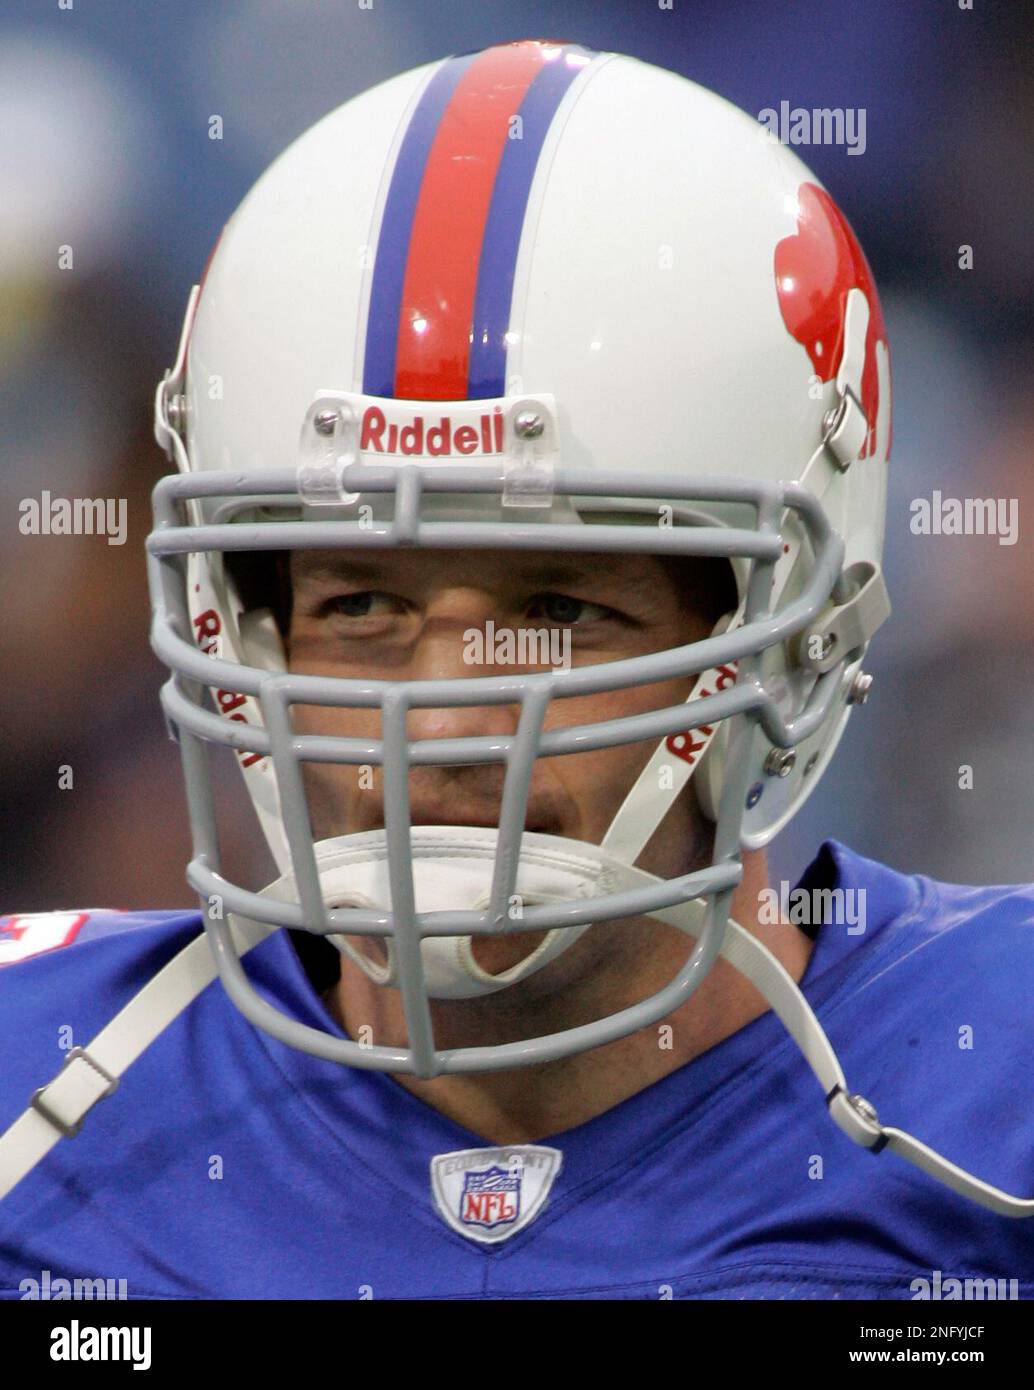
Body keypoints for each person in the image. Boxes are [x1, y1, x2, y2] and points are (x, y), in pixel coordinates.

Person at [1, 38, 1032, 1301]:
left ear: (795, 637)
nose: (445, 723)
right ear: (241, 625)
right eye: (361, 600)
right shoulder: (39, 1086)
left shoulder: (995, 1083)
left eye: (560, 605)